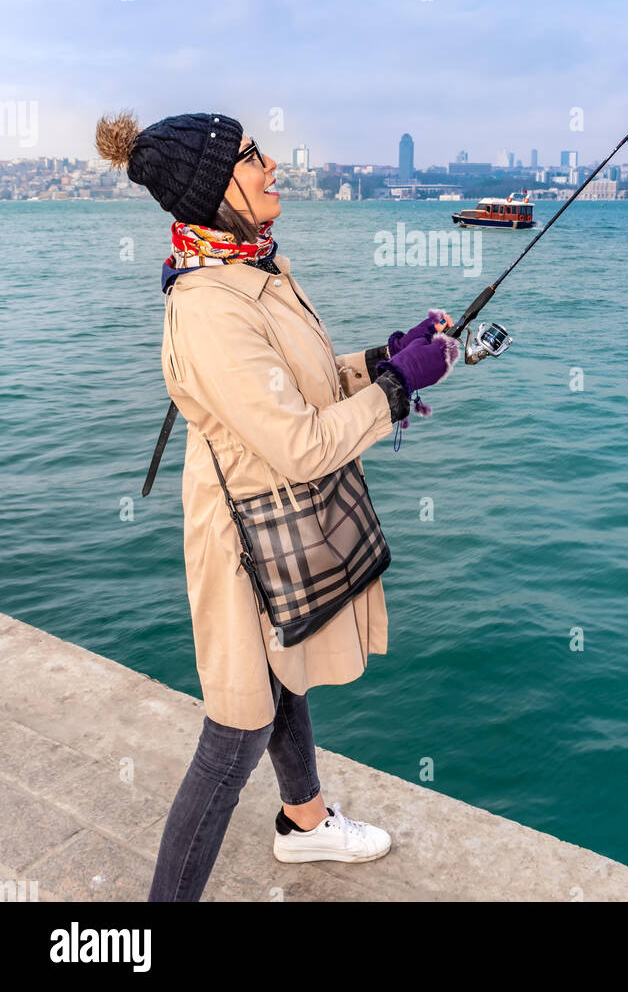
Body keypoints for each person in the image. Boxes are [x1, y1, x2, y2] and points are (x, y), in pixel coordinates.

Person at [94, 109, 459, 902]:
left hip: (276, 522)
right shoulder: (210, 306)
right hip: (242, 537)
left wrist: (380, 360)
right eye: (254, 157)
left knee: (281, 667)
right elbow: (297, 444)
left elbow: (296, 376)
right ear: (215, 185)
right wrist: (398, 392)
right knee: (236, 728)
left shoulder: (254, 267)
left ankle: (303, 822)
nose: (273, 168)